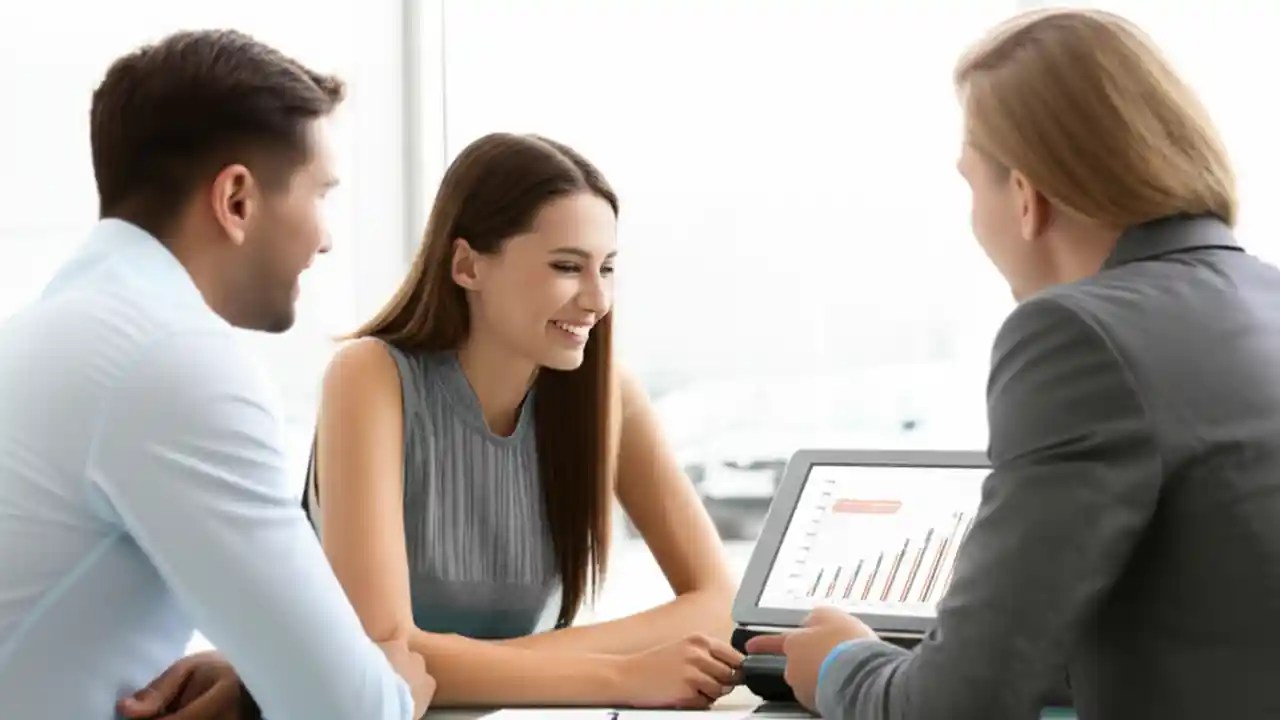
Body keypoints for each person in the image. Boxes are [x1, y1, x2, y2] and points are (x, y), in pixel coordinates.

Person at [748, 7, 1280, 719]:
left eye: (973, 183)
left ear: (1025, 197)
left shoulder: (1077, 335)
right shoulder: (1263, 299)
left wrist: (842, 664)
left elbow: (958, 707)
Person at [0, 29, 433, 719]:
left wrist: (258, 682)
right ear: (237, 200)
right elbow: (353, 711)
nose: (325, 237)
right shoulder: (170, 361)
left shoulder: (59, 329)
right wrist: (394, 677)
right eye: (321, 194)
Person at [303, 131, 743, 708]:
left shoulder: (607, 392)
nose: (596, 299)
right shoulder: (369, 376)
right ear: (467, 266)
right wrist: (620, 674)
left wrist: (473, 664)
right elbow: (380, 651)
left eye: (605, 268)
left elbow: (718, 604)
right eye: (567, 267)